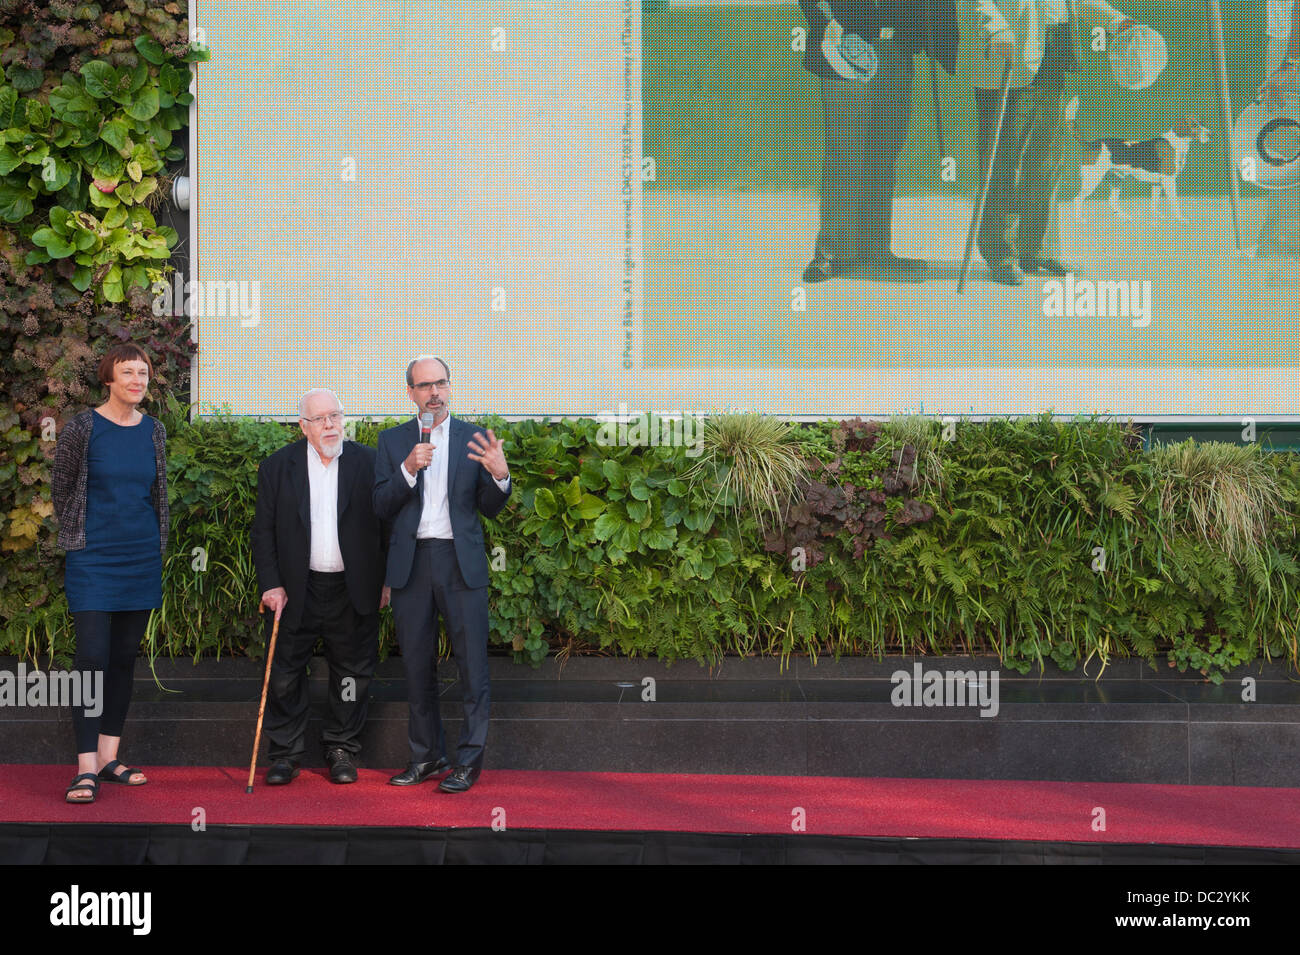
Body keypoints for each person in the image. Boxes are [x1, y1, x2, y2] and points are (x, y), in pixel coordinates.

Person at [372, 356, 512, 793]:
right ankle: (427, 756)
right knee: (417, 667)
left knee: (472, 666)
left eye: (441, 383)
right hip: (411, 565)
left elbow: (489, 507)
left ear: (450, 387)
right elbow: (380, 505)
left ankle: (468, 762)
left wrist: (500, 475)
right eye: (424, 385)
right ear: (410, 393)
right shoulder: (393, 441)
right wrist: (408, 470)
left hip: (460, 563)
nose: (434, 392)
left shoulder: (475, 439)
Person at [250, 389, 389, 785]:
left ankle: (341, 747)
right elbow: (263, 532)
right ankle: (286, 754)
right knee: (285, 673)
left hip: (353, 587)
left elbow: (388, 527)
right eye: (320, 419)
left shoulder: (370, 463)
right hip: (296, 588)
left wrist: (385, 582)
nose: (330, 425)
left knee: (350, 674)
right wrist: (271, 583)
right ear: (303, 426)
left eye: (335, 416)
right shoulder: (278, 467)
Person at [52, 344, 168, 804]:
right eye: (128, 373)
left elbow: (158, 492)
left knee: (122, 659)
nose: (137, 380)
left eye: (143, 373)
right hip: (93, 559)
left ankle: (108, 757)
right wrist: (83, 536)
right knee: (92, 659)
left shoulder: (154, 431)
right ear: (109, 379)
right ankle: (84, 767)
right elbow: (62, 489)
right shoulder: (82, 427)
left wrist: (155, 546)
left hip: (140, 559)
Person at [967, 0, 1135, 285]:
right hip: (1011, 46)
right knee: (1006, 161)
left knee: (1046, 160)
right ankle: (1000, 253)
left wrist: (1115, 20)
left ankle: (1036, 249)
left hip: (1056, 45)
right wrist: (994, 30)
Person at [800, 0, 961, 281]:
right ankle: (831, 251)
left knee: (884, 153)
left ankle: (874, 247)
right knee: (845, 154)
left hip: (897, 50)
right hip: (843, 47)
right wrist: (831, 26)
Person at [1257, 0, 1300, 255]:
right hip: (1282, 39)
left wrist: (1291, 63)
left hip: (1289, 46)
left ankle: (1275, 236)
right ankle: (1275, 233)